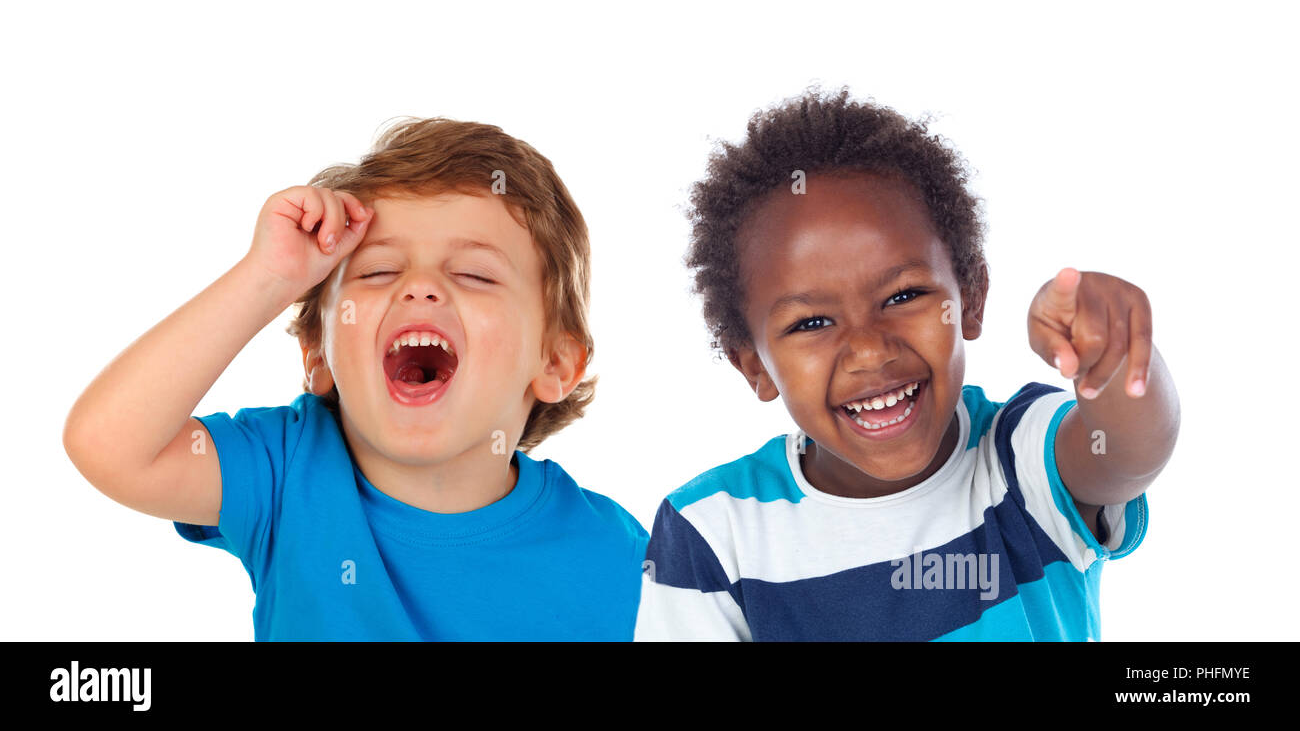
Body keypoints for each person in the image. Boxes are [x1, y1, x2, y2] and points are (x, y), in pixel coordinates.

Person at [63, 117, 648, 640]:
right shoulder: (288, 472)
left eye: (473, 274)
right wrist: (269, 277)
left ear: (555, 363)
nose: (420, 287)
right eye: (380, 269)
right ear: (317, 352)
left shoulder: (624, 559)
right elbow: (109, 444)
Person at [634, 89, 1180, 641]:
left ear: (969, 297)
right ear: (753, 365)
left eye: (903, 296)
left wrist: (1113, 358)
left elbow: (1129, 453)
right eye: (811, 324)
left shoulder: (1020, 459)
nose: (870, 351)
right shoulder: (712, 532)